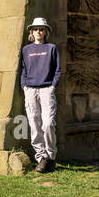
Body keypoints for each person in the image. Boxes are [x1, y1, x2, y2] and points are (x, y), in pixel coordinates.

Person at [19, 17, 61, 173]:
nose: (38, 31)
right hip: (30, 89)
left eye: (41, 29)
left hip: (46, 89)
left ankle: (51, 156)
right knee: (34, 125)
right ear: (31, 31)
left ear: (45, 32)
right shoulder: (26, 50)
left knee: (48, 123)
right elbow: (23, 70)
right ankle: (41, 158)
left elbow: (57, 69)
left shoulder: (51, 48)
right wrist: (24, 87)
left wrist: (52, 86)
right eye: (36, 29)